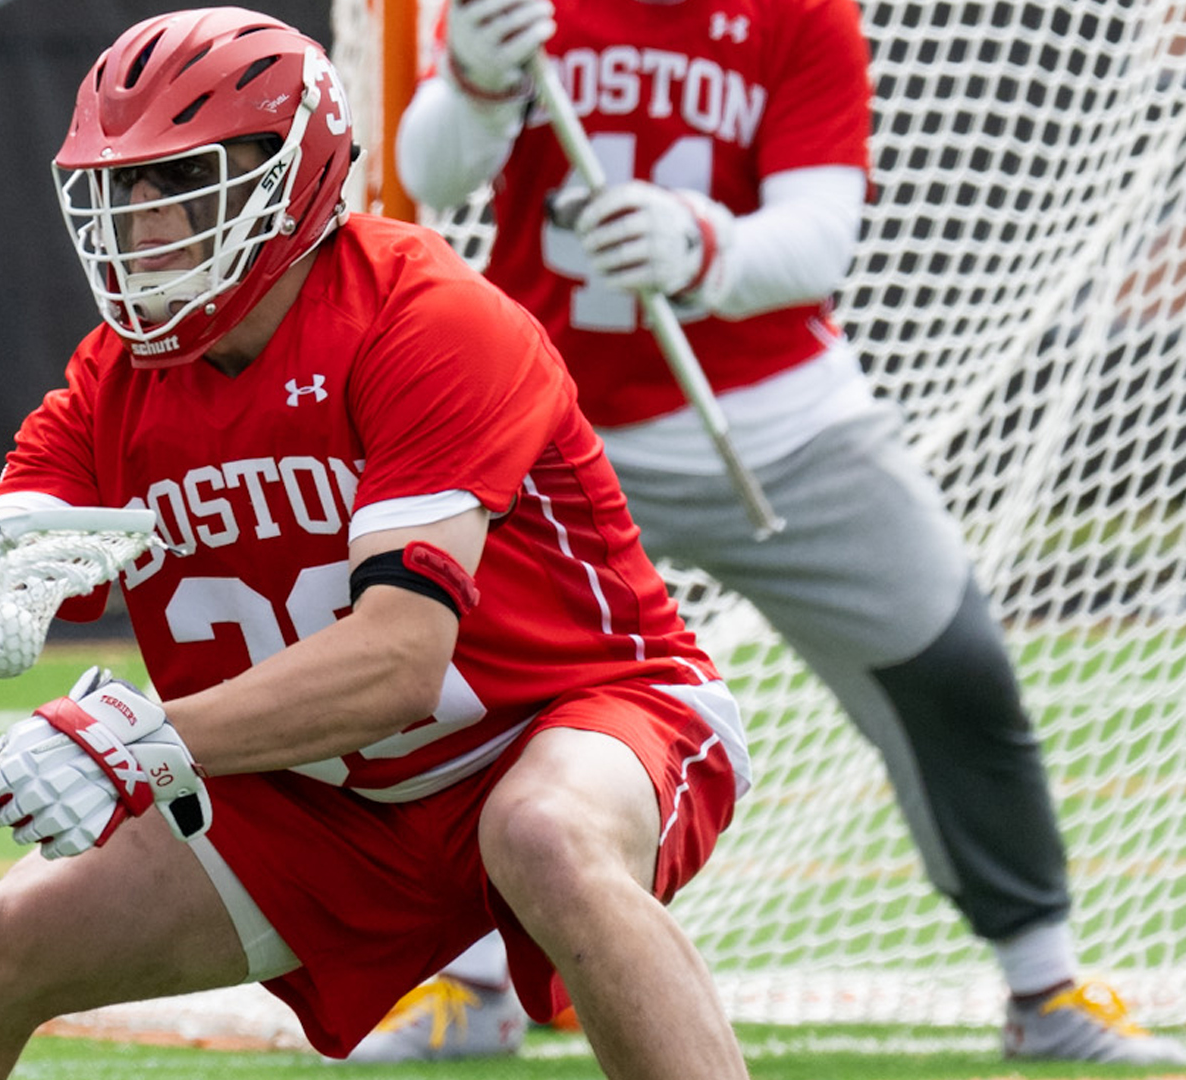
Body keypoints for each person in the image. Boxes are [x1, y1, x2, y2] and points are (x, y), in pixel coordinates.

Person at [0, 7, 750, 1079]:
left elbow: (399, 665)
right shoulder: (110, 386)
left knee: (545, 837)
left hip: (565, 718)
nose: (140, 224)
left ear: (291, 176)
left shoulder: (427, 320)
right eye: (120, 188)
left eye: (177, 181)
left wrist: (132, 740)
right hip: (323, 795)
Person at [370, 0, 1186, 1065]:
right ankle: (470, 984)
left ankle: (1046, 986)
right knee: (451, 674)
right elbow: (435, 173)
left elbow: (819, 238)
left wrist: (700, 246)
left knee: (953, 667)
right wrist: (474, 74)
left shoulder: (802, 18)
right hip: (554, 418)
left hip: (777, 419)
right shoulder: (533, 6)